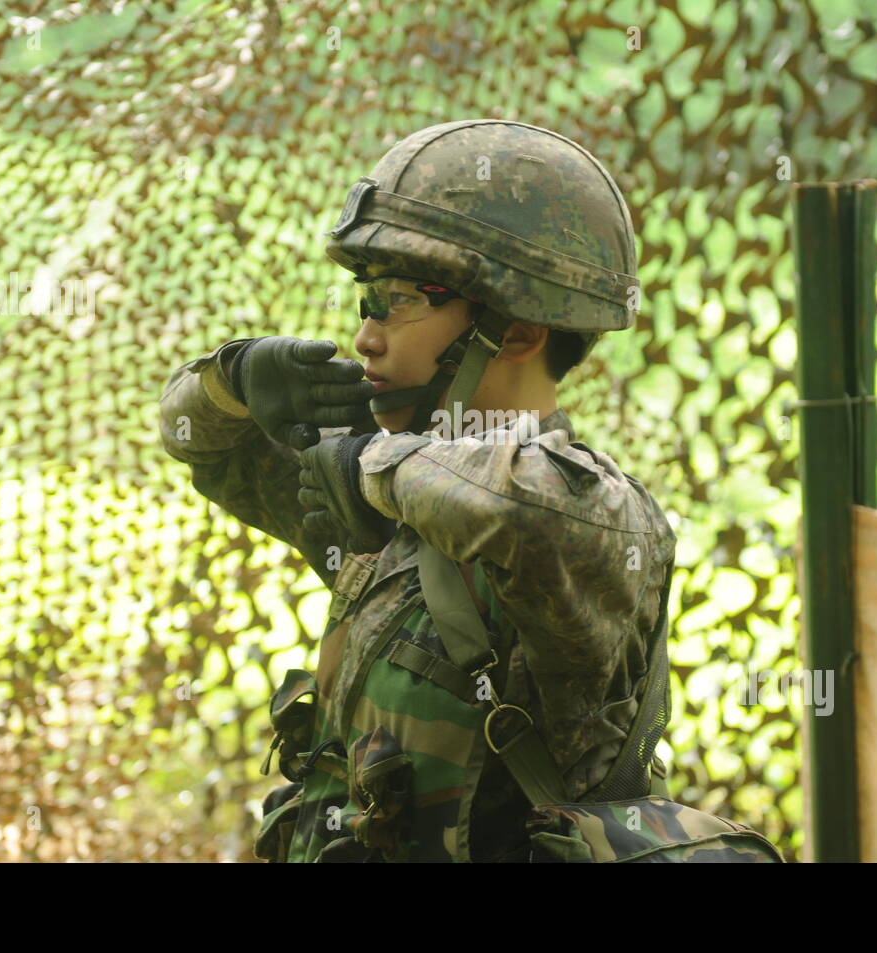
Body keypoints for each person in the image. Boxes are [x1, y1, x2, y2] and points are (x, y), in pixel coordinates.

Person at [158, 119, 676, 862]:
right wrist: (231, 377)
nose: (367, 335)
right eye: (366, 299)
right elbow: (195, 442)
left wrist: (365, 464)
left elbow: (516, 507)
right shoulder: (394, 491)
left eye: (400, 300)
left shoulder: (588, 514)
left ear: (520, 330)